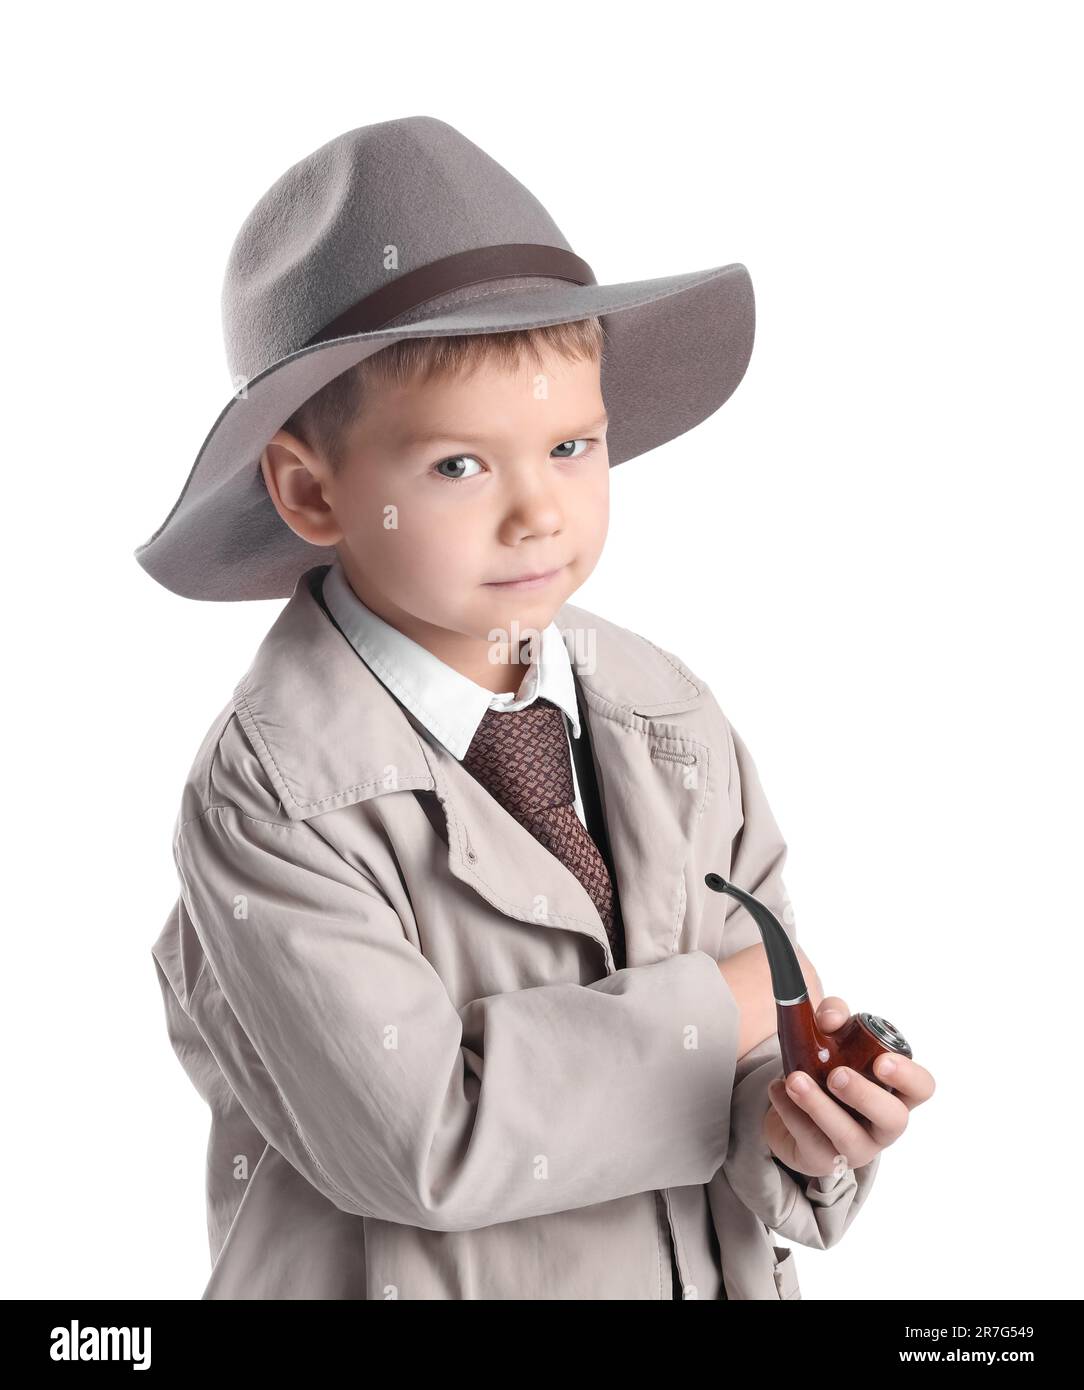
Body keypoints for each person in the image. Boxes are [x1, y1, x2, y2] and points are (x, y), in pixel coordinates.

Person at [140, 116, 934, 1300]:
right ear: (313, 490)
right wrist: (708, 1011)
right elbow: (420, 1139)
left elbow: (761, 1043)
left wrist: (804, 1128)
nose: (539, 514)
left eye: (571, 446)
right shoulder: (277, 792)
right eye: (459, 466)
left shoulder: (673, 722)